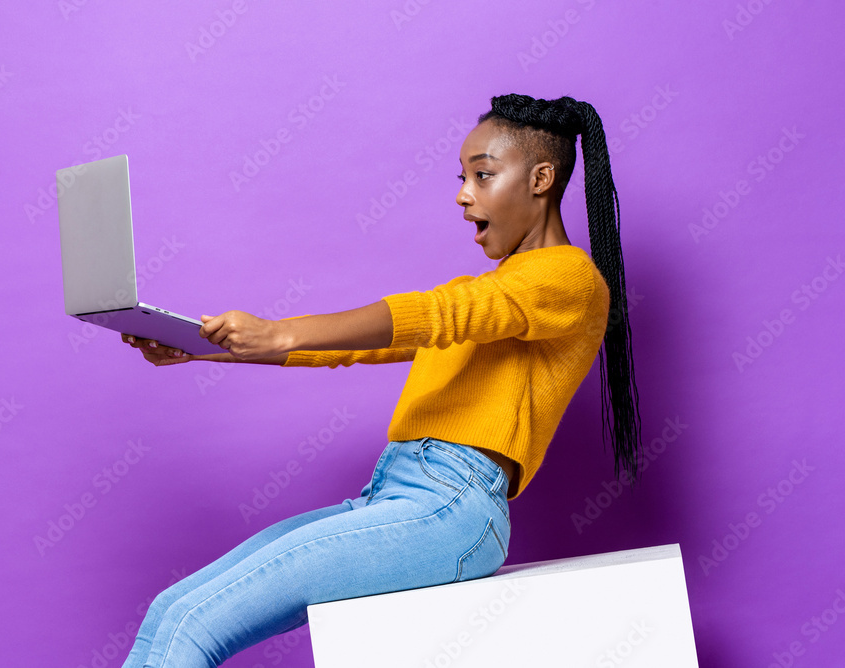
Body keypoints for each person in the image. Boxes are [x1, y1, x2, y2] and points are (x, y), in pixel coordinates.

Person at [118, 93, 642, 668]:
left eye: (483, 175)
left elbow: (440, 313)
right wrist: (200, 349)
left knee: (195, 622)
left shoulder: (567, 278)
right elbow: (364, 345)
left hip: (452, 508)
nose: (463, 195)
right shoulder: (500, 294)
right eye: (463, 178)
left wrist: (280, 331)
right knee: (173, 609)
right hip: (396, 495)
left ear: (541, 179)